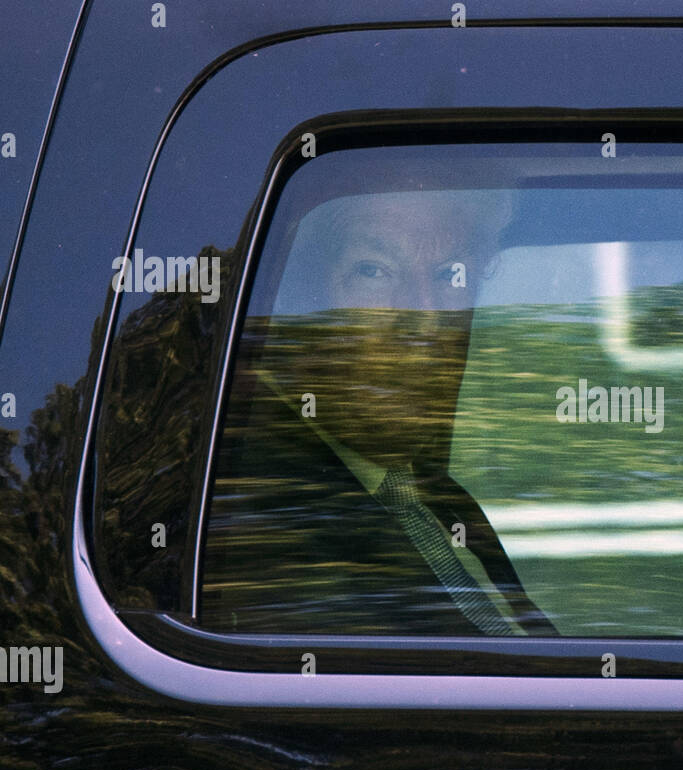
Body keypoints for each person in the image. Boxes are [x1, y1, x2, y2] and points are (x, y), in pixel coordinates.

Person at [200, 186, 556, 637]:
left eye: (450, 275)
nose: (426, 321)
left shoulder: (429, 493)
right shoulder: (263, 512)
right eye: (374, 271)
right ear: (298, 296)